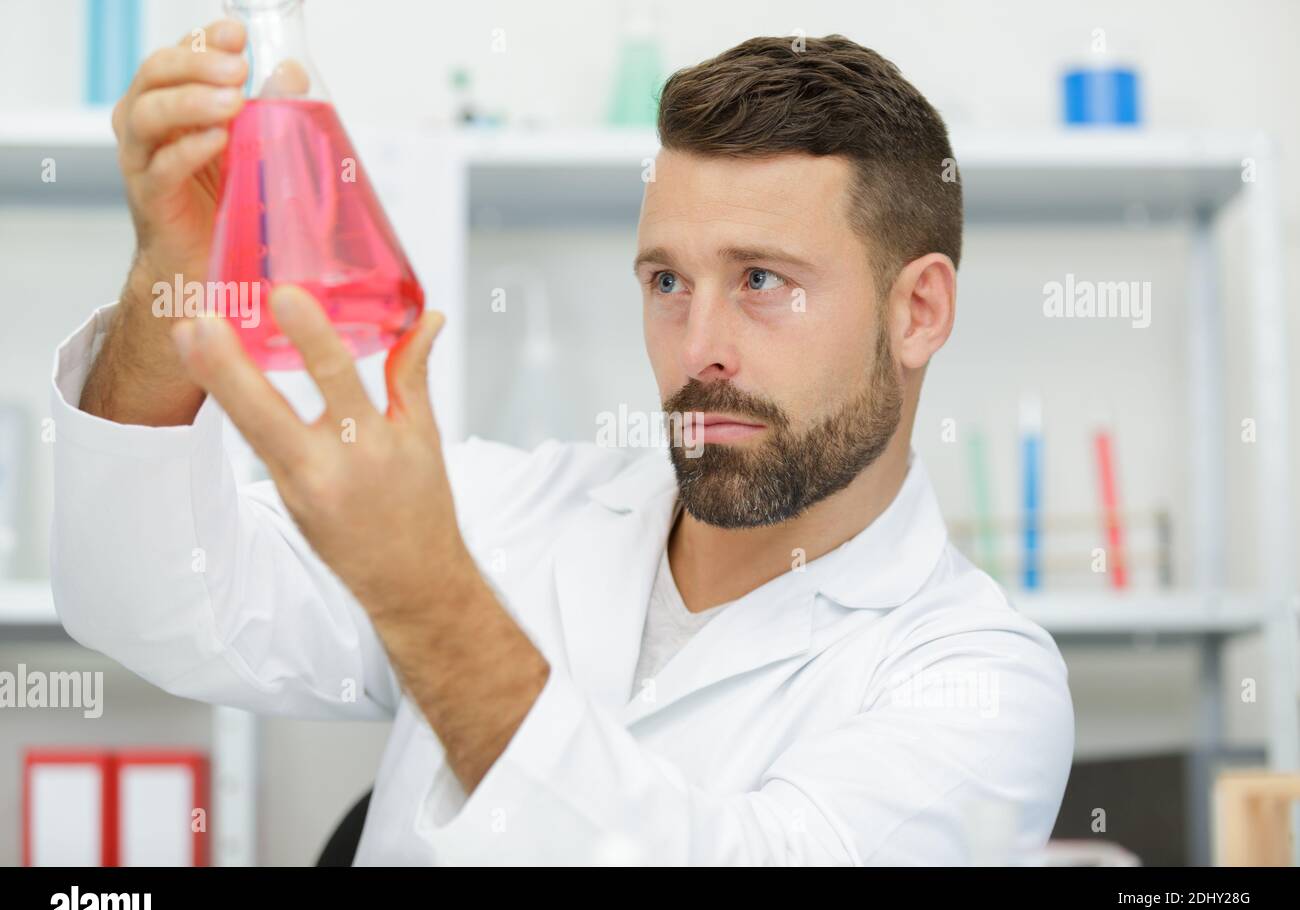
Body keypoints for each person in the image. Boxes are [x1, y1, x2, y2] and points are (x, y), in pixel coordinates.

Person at [49, 22, 1074, 865]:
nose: (699, 348)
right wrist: (169, 279)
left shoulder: (979, 681)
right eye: (666, 280)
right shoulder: (512, 510)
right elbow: (151, 602)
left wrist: (426, 593)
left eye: (762, 279)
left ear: (919, 309)